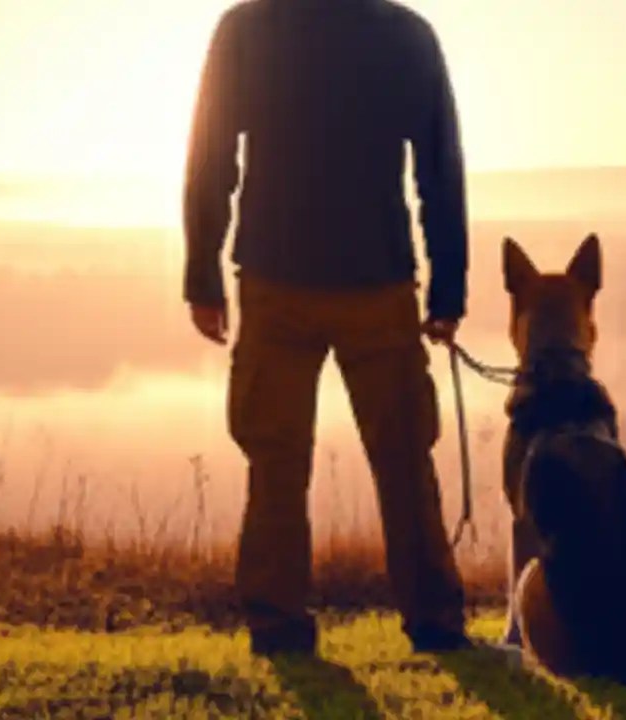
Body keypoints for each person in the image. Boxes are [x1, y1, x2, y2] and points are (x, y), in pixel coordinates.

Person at [182, 0, 471, 657]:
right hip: (379, 283)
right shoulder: (406, 35)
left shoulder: (247, 28)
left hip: (275, 279)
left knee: (276, 464)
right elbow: (439, 170)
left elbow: (210, 158)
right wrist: (448, 286)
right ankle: (435, 624)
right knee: (403, 460)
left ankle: (278, 627)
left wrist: (202, 275)